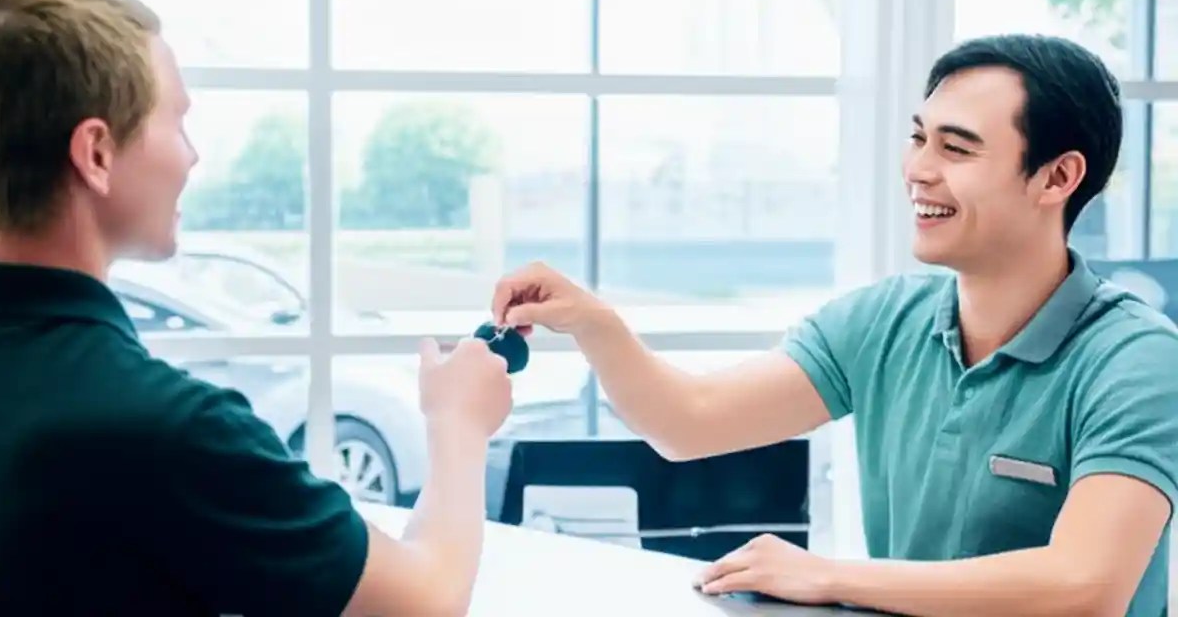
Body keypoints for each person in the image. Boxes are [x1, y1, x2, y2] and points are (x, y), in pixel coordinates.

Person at [492, 34, 1178, 616]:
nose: (917, 170)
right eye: (919, 139)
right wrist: (594, 324)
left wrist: (829, 574)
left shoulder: (1137, 360)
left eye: (957, 149)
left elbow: (1086, 585)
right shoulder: (882, 322)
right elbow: (689, 422)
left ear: (1057, 177)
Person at [0, 0, 511, 617]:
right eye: (177, 121)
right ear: (96, 153)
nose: (192, 157)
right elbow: (427, 602)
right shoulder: (168, 433)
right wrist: (458, 424)